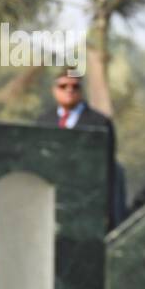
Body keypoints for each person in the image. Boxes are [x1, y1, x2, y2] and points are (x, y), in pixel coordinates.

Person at [35, 69, 120, 230]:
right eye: (63, 86)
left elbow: (108, 171)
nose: (69, 90)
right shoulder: (44, 122)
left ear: (81, 90)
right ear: (54, 90)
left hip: (86, 205)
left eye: (75, 86)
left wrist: (107, 210)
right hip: (50, 204)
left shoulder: (100, 123)